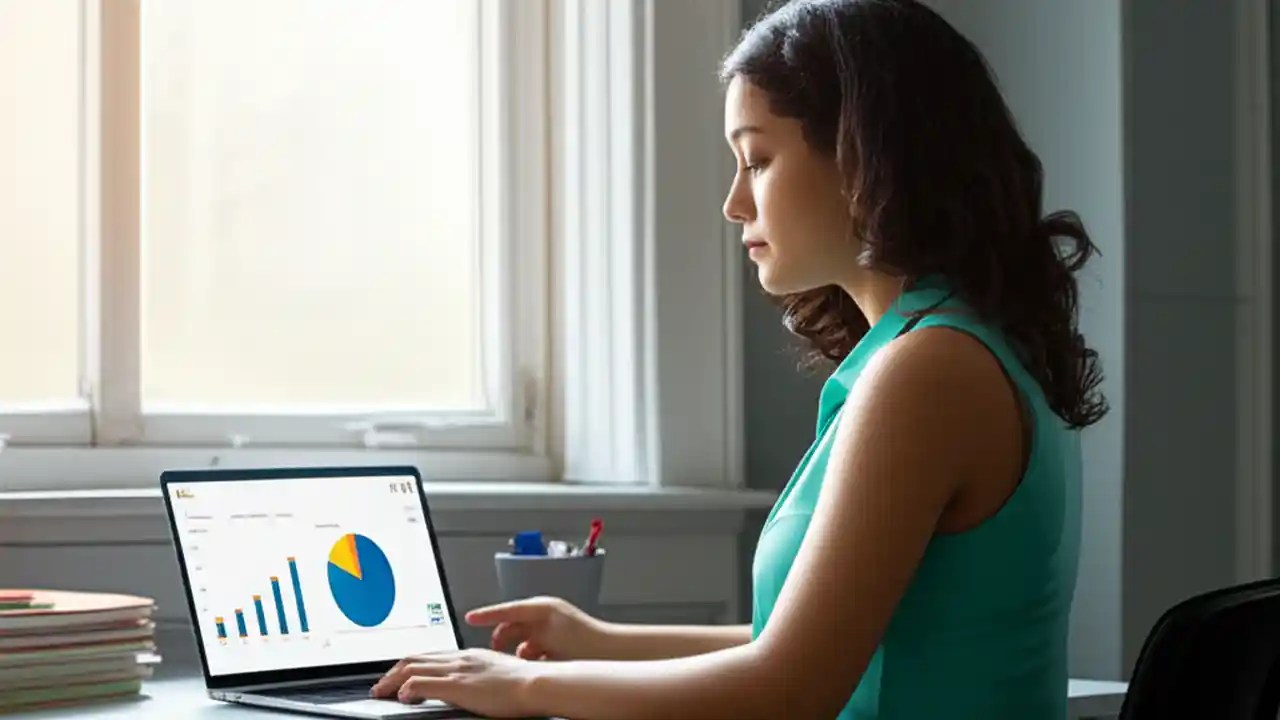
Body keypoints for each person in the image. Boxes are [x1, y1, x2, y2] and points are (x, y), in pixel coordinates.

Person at [371, 0, 1106, 717]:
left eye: (756, 159)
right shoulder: (964, 347)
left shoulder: (928, 372)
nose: (733, 202)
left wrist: (521, 689)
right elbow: (813, 640)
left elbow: (788, 687)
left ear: (862, 156)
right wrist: (598, 641)